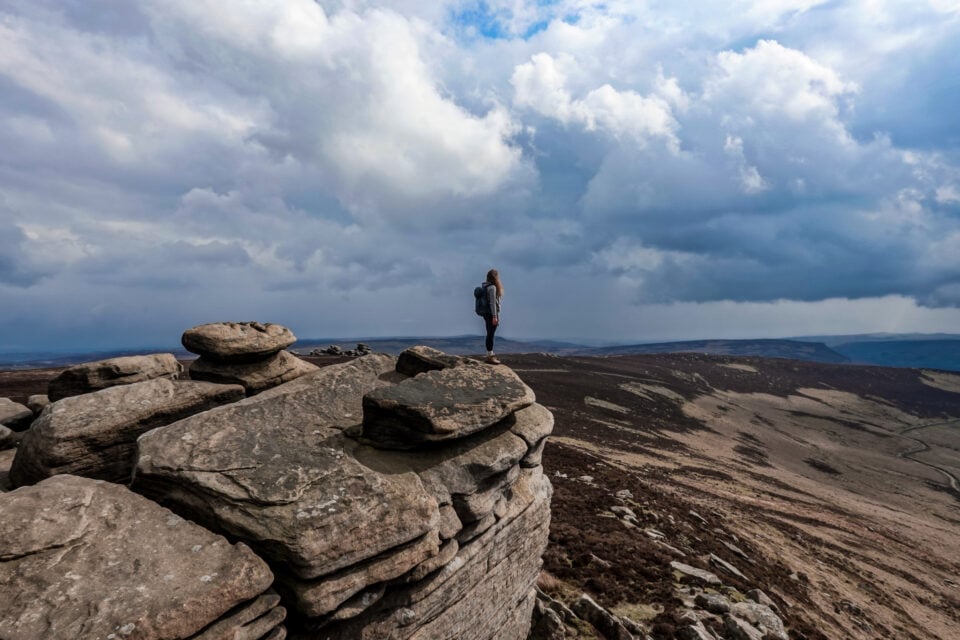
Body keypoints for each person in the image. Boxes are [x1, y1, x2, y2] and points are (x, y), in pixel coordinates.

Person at [480, 269, 503, 364]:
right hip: (491, 314)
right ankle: (490, 356)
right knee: (490, 334)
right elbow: (492, 303)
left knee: (489, 333)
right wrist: (494, 316)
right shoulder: (492, 287)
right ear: (495, 277)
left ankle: (490, 354)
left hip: (486, 314)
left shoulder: (485, 286)